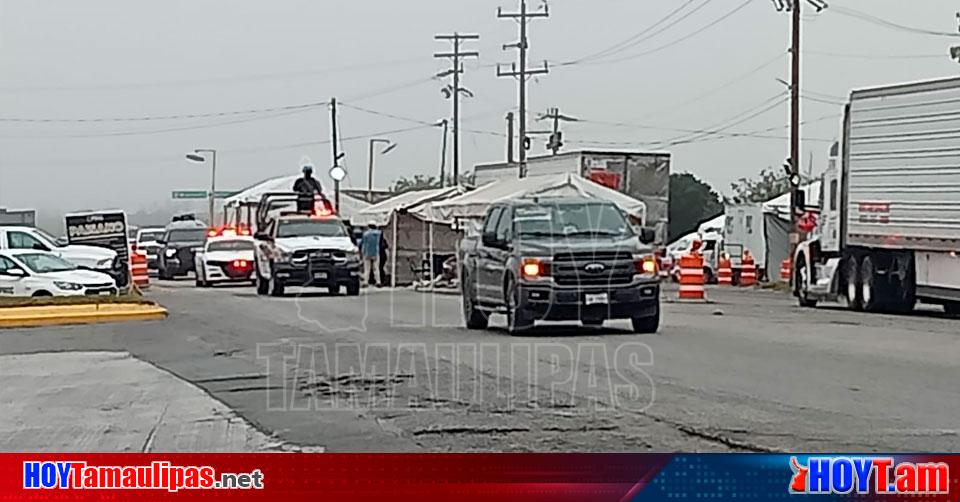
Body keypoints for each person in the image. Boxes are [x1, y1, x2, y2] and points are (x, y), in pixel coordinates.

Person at [360, 222, 383, 287]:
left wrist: (362, 253)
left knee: (367, 268)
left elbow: (363, 243)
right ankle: (378, 282)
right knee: (376, 268)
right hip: (376, 252)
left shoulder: (365, 234)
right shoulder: (379, 234)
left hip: (367, 253)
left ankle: (366, 282)